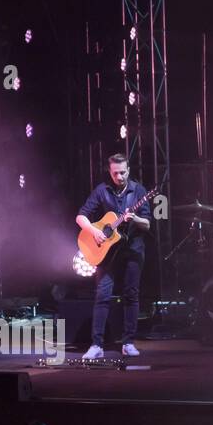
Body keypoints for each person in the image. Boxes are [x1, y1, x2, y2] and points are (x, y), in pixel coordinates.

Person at [76, 154, 152, 360]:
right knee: (102, 295)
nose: (119, 177)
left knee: (131, 295)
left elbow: (147, 224)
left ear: (129, 170)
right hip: (107, 252)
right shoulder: (102, 190)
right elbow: (80, 216)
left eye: (123, 172)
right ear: (110, 172)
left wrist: (135, 218)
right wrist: (94, 231)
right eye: (115, 173)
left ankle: (128, 343)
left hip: (133, 249)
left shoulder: (139, 191)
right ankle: (96, 345)